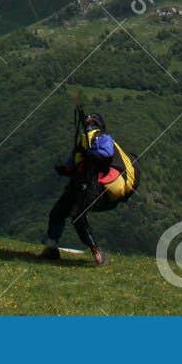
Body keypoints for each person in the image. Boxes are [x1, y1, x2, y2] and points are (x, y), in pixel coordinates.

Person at [43, 111, 115, 265]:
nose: (88, 124)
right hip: (76, 183)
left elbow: (107, 154)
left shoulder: (103, 138)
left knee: (78, 217)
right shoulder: (82, 142)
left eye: (91, 121)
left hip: (91, 184)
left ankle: (97, 254)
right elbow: (74, 163)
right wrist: (64, 170)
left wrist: (89, 153)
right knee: (57, 213)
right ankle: (51, 249)